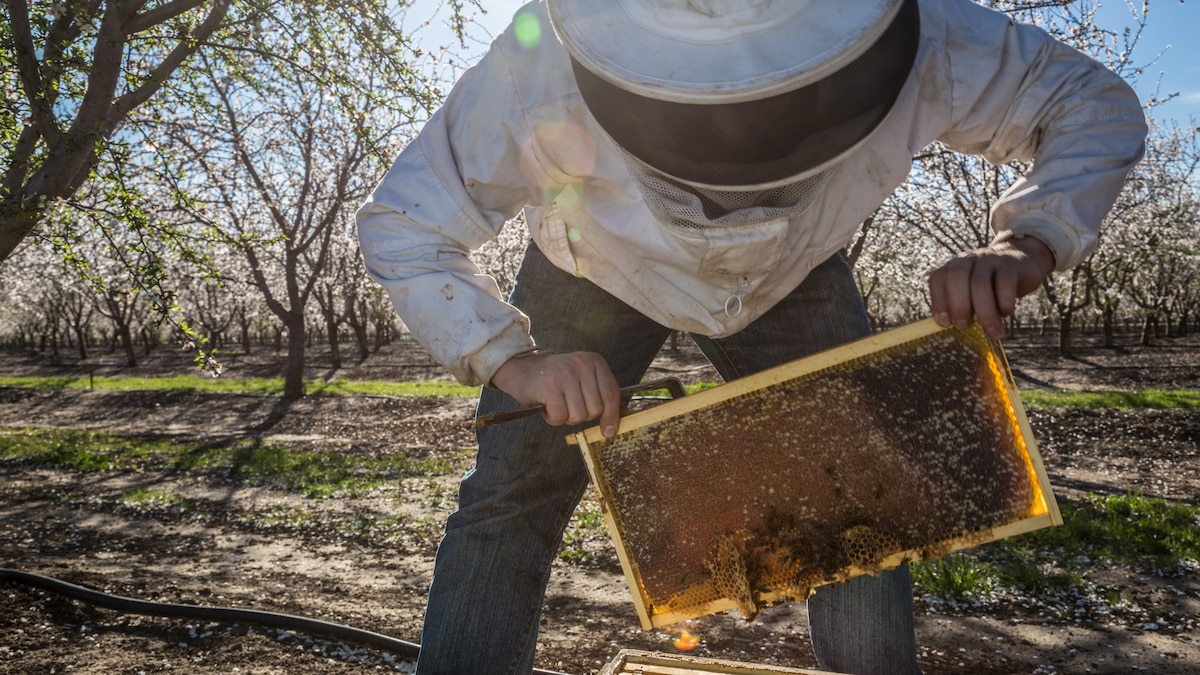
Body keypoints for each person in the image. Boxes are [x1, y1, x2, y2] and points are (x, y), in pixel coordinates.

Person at [356, 0, 1147, 672]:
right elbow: (404, 222)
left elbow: (1086, 102)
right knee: (509, 495)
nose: (744, 142)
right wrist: (516, 362)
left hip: (792, 272)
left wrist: (1029, 239)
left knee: (860, 495)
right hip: (592, 263)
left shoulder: (916, 32)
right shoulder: (537, 65)